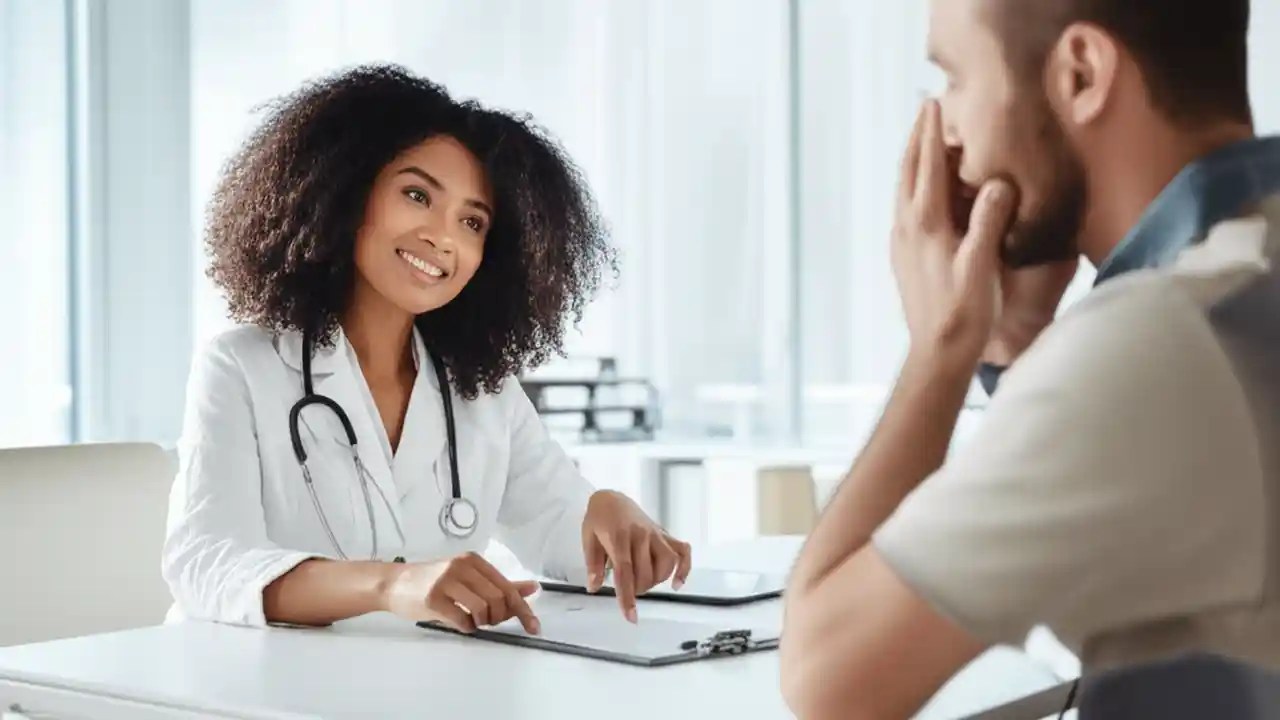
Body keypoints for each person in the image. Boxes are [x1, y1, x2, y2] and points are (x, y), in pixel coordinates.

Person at [781, 0, 1280, 717]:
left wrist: (941, 348)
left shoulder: (1157, 342)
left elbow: (828, 678)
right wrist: (1014, 345)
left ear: (1081, 74)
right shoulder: (1241, 280)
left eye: (953, 79)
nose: (946, 132)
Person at [163, 65, 691, 634]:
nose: (443, 237)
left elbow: (556, 525)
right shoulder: (241, 365)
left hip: (421, 684)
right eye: (417, 195)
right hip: (252, 683)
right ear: (346, 190)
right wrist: (391, 585)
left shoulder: (482, 390)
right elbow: (205, 561)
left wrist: (607, 519)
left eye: (472, 222)